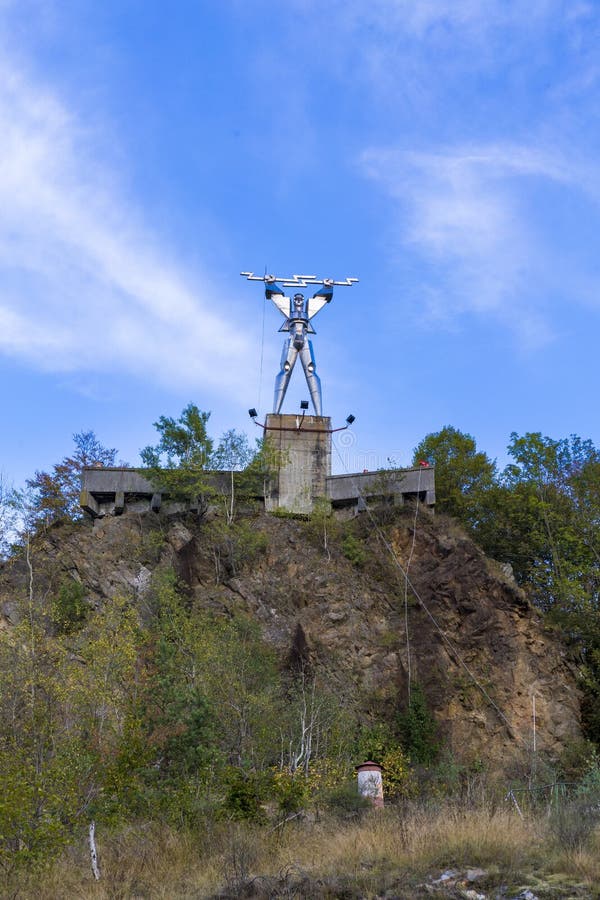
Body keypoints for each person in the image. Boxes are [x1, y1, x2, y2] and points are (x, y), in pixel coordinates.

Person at [265, 276, 333, 416]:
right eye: (296, 298)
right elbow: (276, 295)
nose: (298, 300)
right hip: (291, 340)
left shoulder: (308, 311)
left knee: (311, 371)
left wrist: (327, 287)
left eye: (300, 298)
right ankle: (275, 412)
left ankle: (319, 414)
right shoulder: (288, 310)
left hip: (305, 340)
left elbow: (323, 297)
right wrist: (271, 284)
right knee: (285, 370)